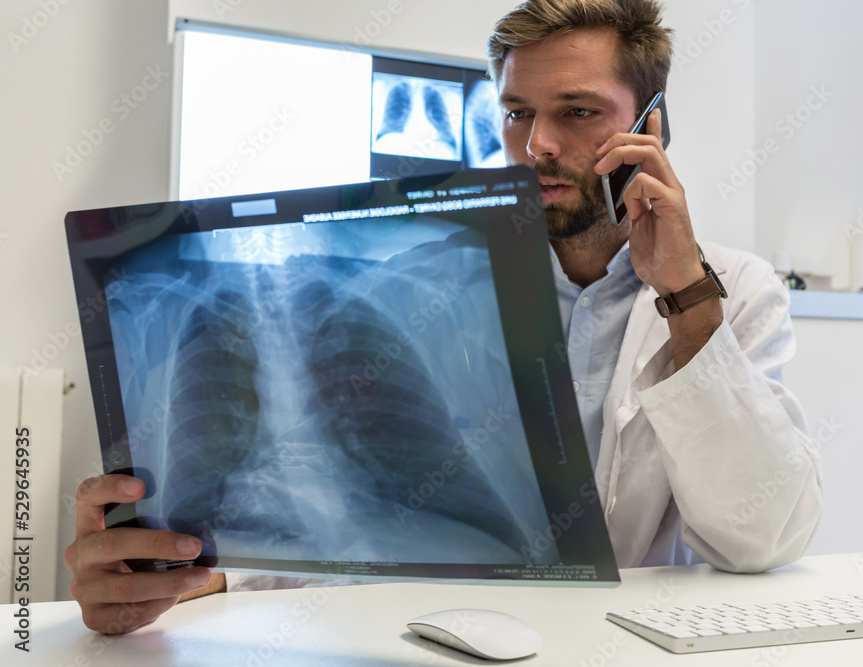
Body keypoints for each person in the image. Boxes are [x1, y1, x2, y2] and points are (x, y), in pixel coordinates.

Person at [64, 0, 822, 635]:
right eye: (518, 113)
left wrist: (685, 296)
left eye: (578, 112)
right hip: (442, 636)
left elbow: (761, 537)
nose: (537, 145)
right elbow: (351, 524)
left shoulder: (731, 293)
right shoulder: (419, 287)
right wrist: (190, 579)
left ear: (651, 127)